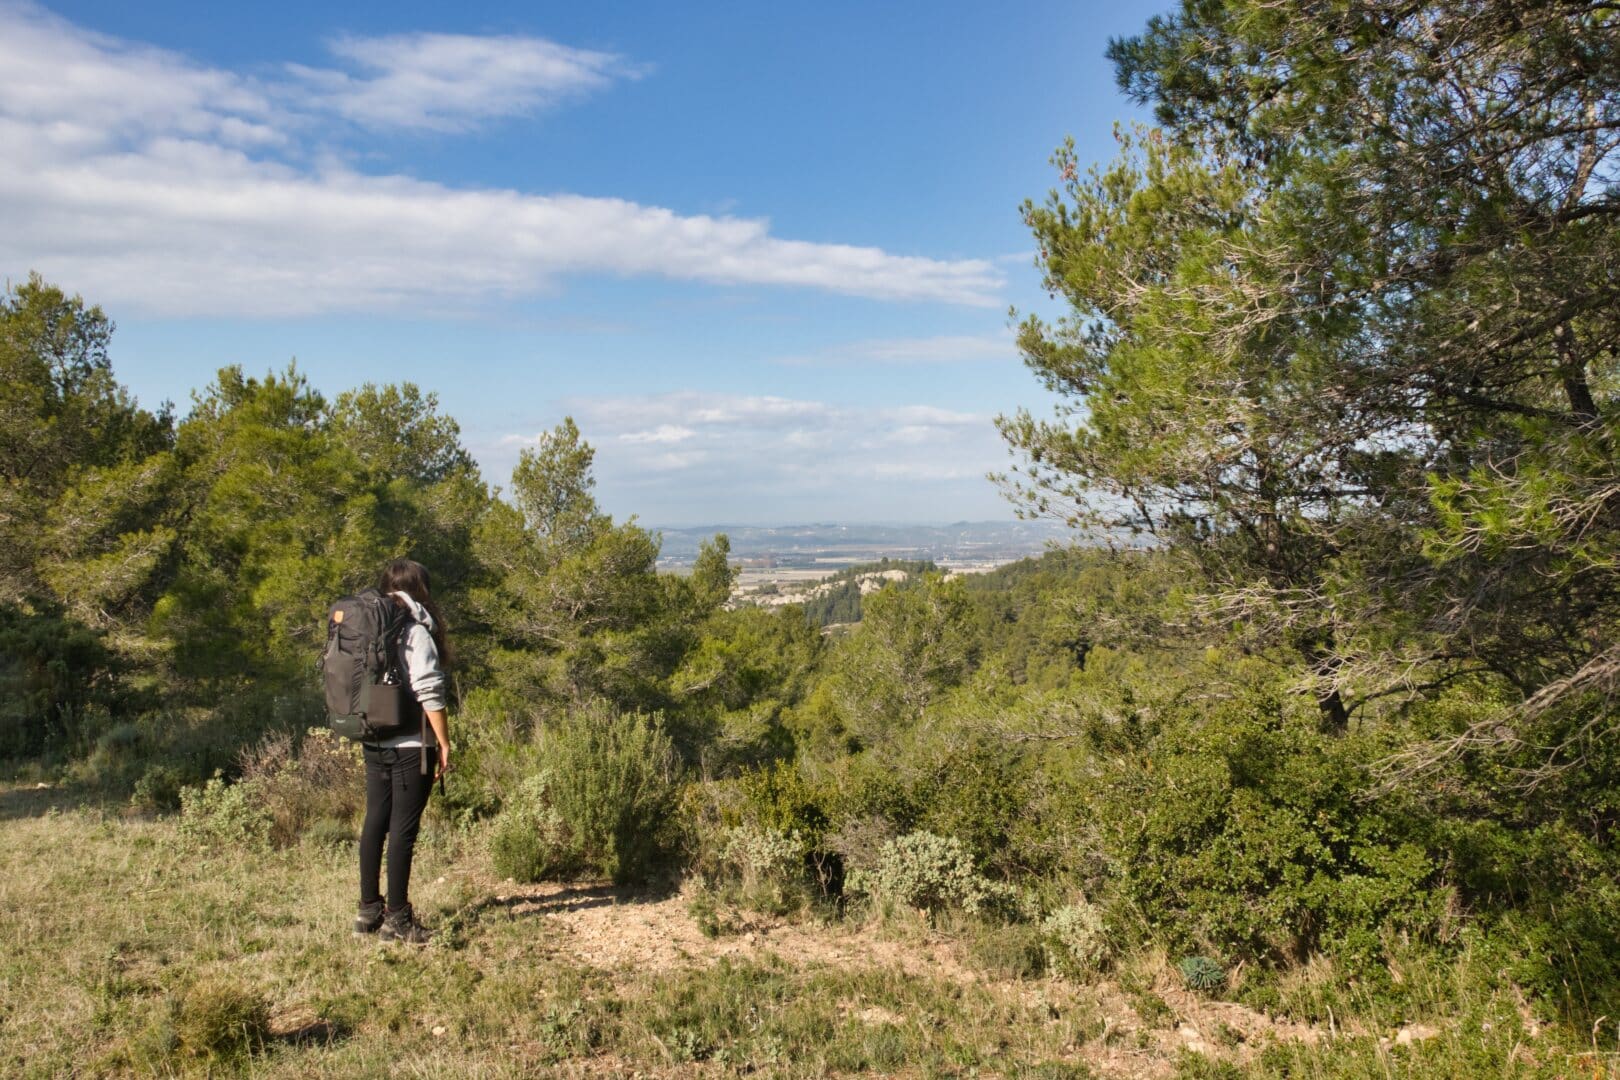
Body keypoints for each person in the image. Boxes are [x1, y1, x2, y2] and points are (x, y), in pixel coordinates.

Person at [354, 558, 452, 944]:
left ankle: (368, 910)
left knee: (375, 820)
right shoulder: (415, 630)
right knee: (402, 831)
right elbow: (429, 690)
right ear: (420, 589)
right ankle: (398, 919)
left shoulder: (370, 629)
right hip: (412, 742)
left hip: (374, 737)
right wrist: (443, 742)